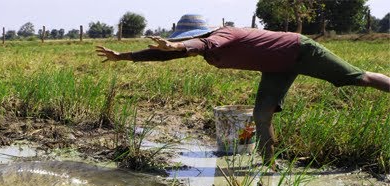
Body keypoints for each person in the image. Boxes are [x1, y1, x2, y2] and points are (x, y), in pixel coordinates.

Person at [95, 14, 390, 162]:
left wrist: (178, 45)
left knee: (358, 78)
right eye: (183, 40)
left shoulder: (223, 34)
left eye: (186, 40)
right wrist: (124, 56)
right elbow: (167, 55)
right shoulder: (200, 48)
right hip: (277, 67)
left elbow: (205, 43)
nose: (185, 44)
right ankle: (269, 166)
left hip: (301, 51)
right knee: (261, 115)